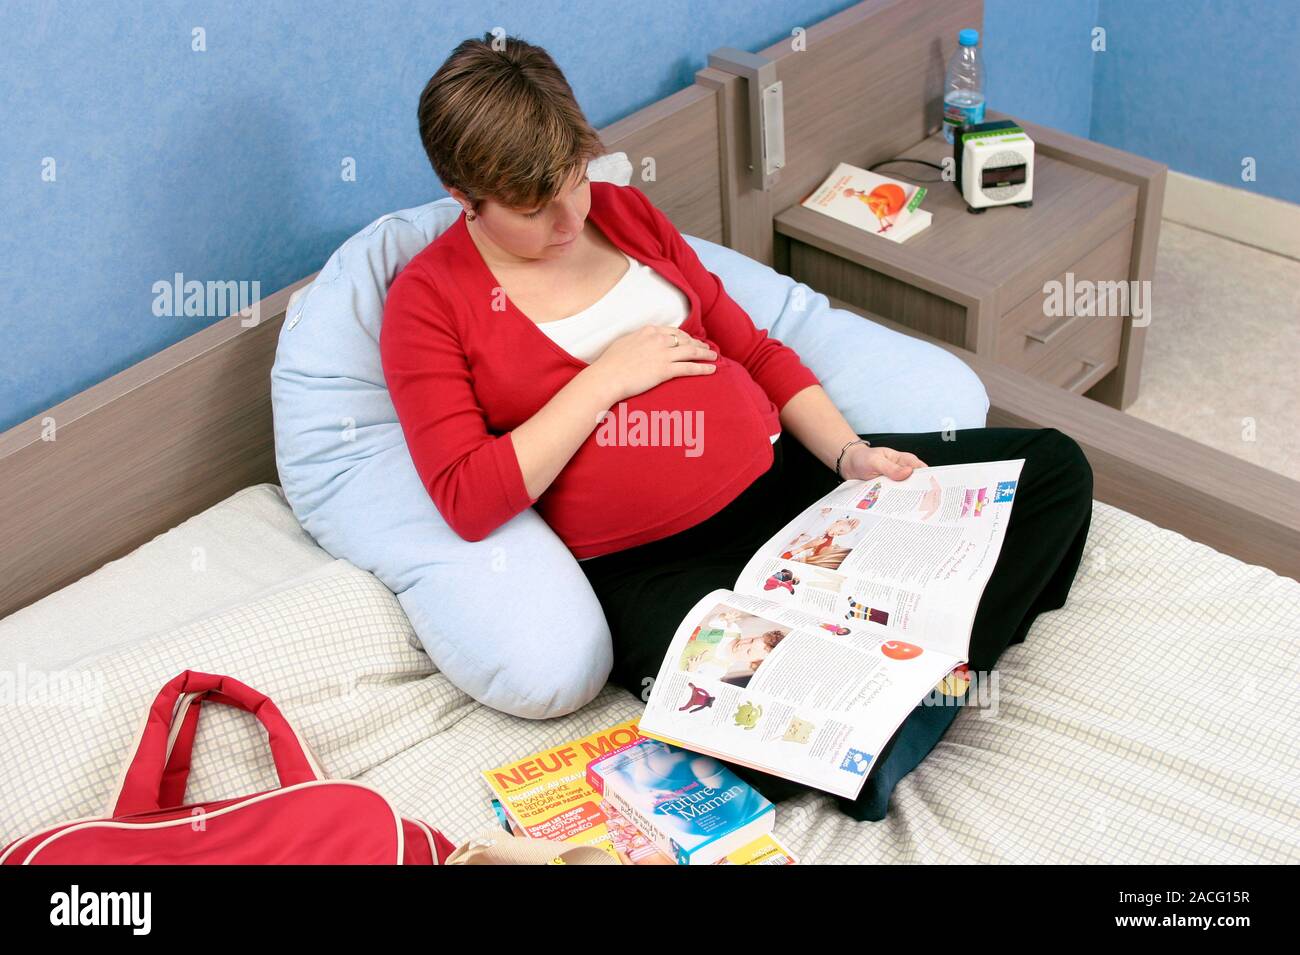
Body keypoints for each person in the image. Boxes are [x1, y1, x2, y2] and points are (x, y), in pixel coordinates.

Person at [381, 33, 1093, 821]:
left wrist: (851, 454)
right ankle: (891, 704)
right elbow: (467, 495)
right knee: (750, 726)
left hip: (793, 488)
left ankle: (937, 687)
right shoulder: (429, 301)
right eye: (529, 206)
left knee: (1053, 468)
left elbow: (753, 347)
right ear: (461, 195)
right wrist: (606, 377)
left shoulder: (624, 213)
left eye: (574, 178)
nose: (565, 218)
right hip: (653, 565)